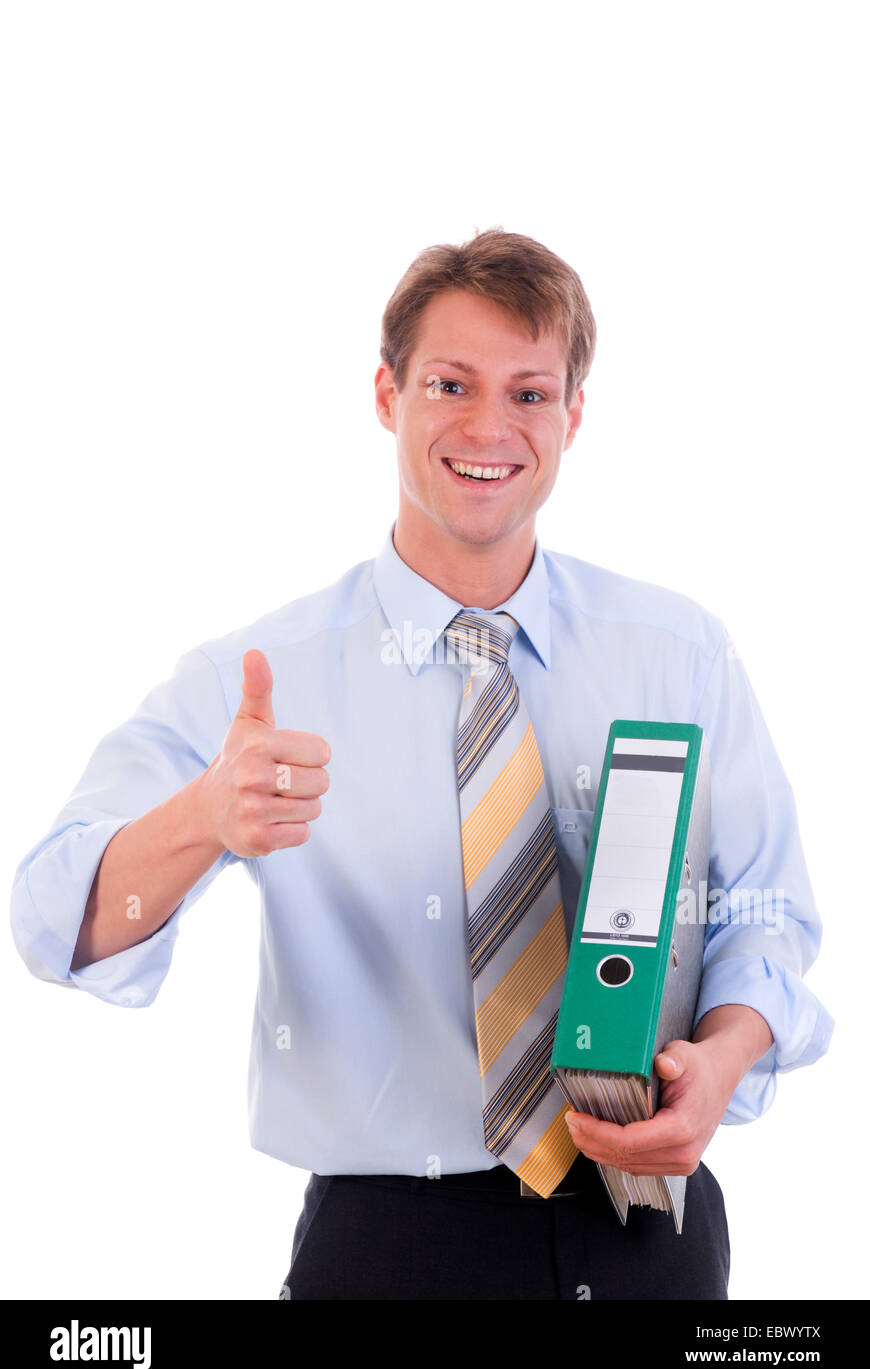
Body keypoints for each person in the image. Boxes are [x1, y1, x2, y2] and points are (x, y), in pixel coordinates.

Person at [10, 229, 833, 1301]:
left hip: (647, 1231)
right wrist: (203, 816)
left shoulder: (680, 655)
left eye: (530, 393)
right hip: (389, 1250)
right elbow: (51, 917)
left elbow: (764, 914)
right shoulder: (259, 678)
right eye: (450, 383)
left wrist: (719, 1063)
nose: (489, 426)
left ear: (574, 415)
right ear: (388, 392)